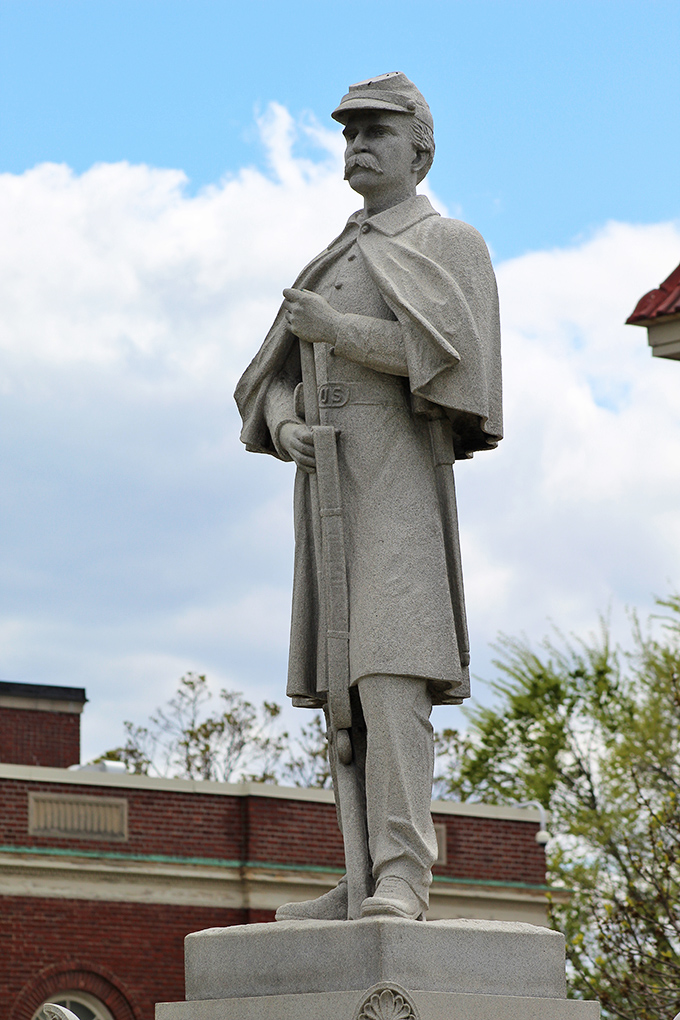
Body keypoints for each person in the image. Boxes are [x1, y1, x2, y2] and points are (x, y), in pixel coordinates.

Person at [234, 72, 502, 921]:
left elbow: (463, 366)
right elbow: (266, 379)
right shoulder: (335, 255)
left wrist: (338, 331)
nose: (358, 147)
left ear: (420, 149)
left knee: (391, 676)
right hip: (330, 500)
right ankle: (359, 875)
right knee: (342, 684)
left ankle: (404, 875)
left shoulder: (448, 243)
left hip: (399, 491)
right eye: (349, 135)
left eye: (376, 133)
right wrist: (285, 429)